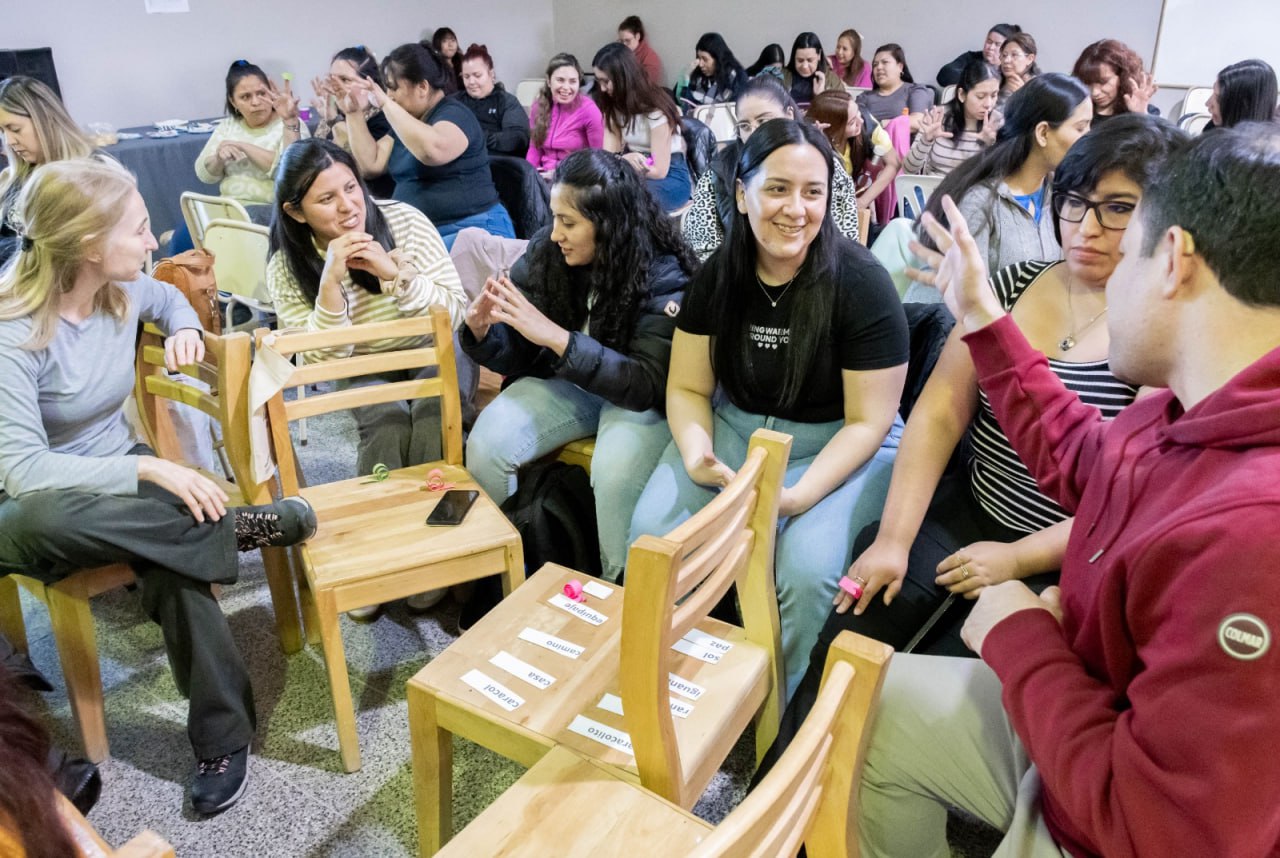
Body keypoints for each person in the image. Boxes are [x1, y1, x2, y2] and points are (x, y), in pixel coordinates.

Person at [857, 123, 1280, 858]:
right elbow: (1089, 461)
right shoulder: (1186, 406)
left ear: (1174, 261)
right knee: (868, 710)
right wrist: (985, 319)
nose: (1105, 271)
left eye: (1129, 244)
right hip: (1092, 701)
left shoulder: (1253, 536)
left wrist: (1021, 635)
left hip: (1113, 820)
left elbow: (1161, 831)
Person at [764, 116, 1185, 773]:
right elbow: (939, 412)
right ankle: (773, 799)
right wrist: (896, 539)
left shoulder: (1160, 325)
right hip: (973, 507)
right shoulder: (1013, 282)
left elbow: (1127, 493)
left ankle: (863, 814)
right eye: (1073, 202)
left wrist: (1017, 559)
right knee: (854, 626)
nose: (1087, 227)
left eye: (1119, 208)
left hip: (1072, 549)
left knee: (930, 701)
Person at [0, 158, 316, 814]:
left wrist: (183, 330)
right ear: (88, 245)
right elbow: (26, 473)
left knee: (171, 555)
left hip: (117, 492)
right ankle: (230, 528)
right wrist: (150, 466)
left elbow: (171, 298)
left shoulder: (124, 290)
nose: (154, 243)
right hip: (28, 506)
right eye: (140, 231)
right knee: (73, 516)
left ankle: (223, 738)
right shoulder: (13, 328)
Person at [630, 119, 909, 700]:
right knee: (655, 534)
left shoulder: (861, 282)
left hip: (841, 440)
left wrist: (798, 498)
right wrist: (697, 452)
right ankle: (677, 692)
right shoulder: (717, 276)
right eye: (777, 188)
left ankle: (781, 715)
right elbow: (685, 389)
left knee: (807, 571)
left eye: (813, 192)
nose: (796, 210)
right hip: (738, 428)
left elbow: (869, 420)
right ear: (741, 193)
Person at [462, 149, 697, 581]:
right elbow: (521, 348)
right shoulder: (548, 252)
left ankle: (616, 596)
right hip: (569, 379)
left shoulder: (663, 272)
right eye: (554, 217)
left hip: (637, 397)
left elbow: (647, 383)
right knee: (486, 444)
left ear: (608, 225)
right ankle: (507, 580)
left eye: (569, 222)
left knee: (614, 476)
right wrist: (483, 334)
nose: (555, 235)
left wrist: (558, 339)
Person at [267, 138, 465, 617]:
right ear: (296, 212)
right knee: (386, 421)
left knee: (435, 419)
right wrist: (330, 283)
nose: (348, 206)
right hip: (361, 362)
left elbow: (454, 310)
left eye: (351, 188)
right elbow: (321, 359)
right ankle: (377, 549)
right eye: (327, 199)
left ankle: (433, 551)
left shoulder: (403, 221)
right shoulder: (286, 265)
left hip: (431, 346)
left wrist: (392, 275)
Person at [342, 42, 515, 250]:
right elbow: (371, 164)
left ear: (422, 87)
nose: (389, 95)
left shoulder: (455, 114)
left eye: (393, 88)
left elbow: (432, 151)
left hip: (471, 230)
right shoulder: (407, 123)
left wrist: (386, 105)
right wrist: (353, 114)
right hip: (424, 234)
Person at [921, 73, 1092, 273]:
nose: (1089, 137)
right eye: (1080, 128)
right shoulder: (979, 202)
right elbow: (968, 297)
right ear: (1043, 133)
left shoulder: (1060, 196)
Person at [683, 76, 860, 259]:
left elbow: (845, 245)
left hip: (817, 277)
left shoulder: (823, 166)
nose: (754, 133)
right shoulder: (719, 172)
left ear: (789, 115)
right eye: (745, 126)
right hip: (735, 280)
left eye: (763, 121)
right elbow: (702, 249)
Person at [177, 60, 305, 253]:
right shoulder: (228, 127)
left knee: (236, 227)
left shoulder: (290, 124)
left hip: (272, 210)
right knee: (184, 234)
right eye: (245, 97)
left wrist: (243, 146)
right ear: (233, 102)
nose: (255, 102)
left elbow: (288, 172)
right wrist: (218, 159)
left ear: (271, 92)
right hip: (228, 208)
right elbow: (204, 173)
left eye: (261, 93)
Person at [0, 76, 94, 267]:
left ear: (45, 121)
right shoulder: (10, 178)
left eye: (15, 129)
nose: (9, 141)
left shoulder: (89, 179)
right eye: (2, 131)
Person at [592, 42, 691, 212]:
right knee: (592, 195)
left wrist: (625, 163)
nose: (601, 88)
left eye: (605, 81)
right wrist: (623, 161)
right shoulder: (613, 107)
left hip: (671, 177)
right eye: (598, 81)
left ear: (623, 76)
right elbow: (608, 157)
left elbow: (659, 171)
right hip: (634, 171)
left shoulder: (655, 108)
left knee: (628, 201)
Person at [309, 46, 395, 198]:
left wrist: (336, 121)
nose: (335, 87)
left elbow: (362, 168)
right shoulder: (335, 113)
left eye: (344, 80)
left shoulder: (384, 118)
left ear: (369, 83)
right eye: (332, 80)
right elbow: (312, 159)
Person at [806, 89, 900, 212]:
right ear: (833, 129)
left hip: (853, 201)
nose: (860, 121)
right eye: (852, 123)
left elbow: (894, 163)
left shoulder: (867, 124)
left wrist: (862, 201)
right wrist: (817, 146)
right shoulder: (809, 140)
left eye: (858, 113)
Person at [905, 58, 1001, 175]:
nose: (988, 104)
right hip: (934, 189)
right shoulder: (937, 117)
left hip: (972, 191)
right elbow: (908, 169)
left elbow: (1000, 179)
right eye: (980, 96)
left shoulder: (998, 123)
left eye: (994, 95)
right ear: (961, 94)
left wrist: (991, 146)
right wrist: (926, 140)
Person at [526, 53, 604, 176]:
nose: (566, 87)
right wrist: (528, 176)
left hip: (575, 176)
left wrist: (558, 174)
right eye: (560, 80)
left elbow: (598, 158)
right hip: (543, 174)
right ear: (549, 81)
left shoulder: (589, 110)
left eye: (573, 81)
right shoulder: (538, 106)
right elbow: (534, 149)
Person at [454, 43, 530, 157]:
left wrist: (476, 138)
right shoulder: (454, 102)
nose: (471, 82)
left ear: (491, 74)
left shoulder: (507, 102)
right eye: (466, 77)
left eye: (477, 75)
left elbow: (517, 139)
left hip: (499, 163)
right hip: (462, 163)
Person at [1071, 39, 1158, 124]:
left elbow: (1158, 137)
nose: (1094, 92)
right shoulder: (1075, 111)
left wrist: (1140, 116)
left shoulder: (1148, 113)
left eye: (1103, 82)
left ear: (1123, 76)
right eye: (1087, 83)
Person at [857, 43, 934, 130]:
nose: (878, 67)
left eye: (885, 62)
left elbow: (918, 122)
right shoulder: (864, 97)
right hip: (870, 143)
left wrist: (886, 123)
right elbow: (857, 125)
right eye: (875, 64)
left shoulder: (915, 91)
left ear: (900, 67)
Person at [936, 23, 1021, 87]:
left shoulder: (1011, 69)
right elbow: (945, 74)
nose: (991, 47)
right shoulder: (972, 57)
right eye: (989, 41)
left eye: (997, 44)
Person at [677, 32, 747, 110]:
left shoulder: (736, 77)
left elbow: (739, 109)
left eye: (705, 59)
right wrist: (686, 81)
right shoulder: (696, 75)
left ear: (718, 58)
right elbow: (684, 105)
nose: (700, 64)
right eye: (699, 58)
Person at [1207, 58, 1278, 128]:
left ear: (1245, 106)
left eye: (1218, 97)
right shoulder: (1212, 128)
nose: (1208, 103)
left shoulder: (1271, 138)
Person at [782, 32, 843, 104]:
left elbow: (842, 110)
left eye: (810, 60)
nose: (805, 66)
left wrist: (821, 97)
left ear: (819, 55)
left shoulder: (832, 81)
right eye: (800, 60)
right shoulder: (781, 77)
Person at [618, 15, 664, 87]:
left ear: (637, 36)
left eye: (627, 40)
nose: (624, 44)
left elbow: (646, 86)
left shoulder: (650, 58)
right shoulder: (618, 53)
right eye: (621, 41)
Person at [998, 33, 1041, 107]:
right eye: (1004, 55)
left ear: (1030, 59)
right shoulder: (994, 78)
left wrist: (1023, 96)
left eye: (1014, 55)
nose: (1006, 60)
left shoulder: (1040, 87)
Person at [431, 27, 462, 93]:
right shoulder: (436, 68)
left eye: (453, 40)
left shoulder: (462, 63)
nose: (450, 45)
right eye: (445, 41)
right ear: (437, 44)